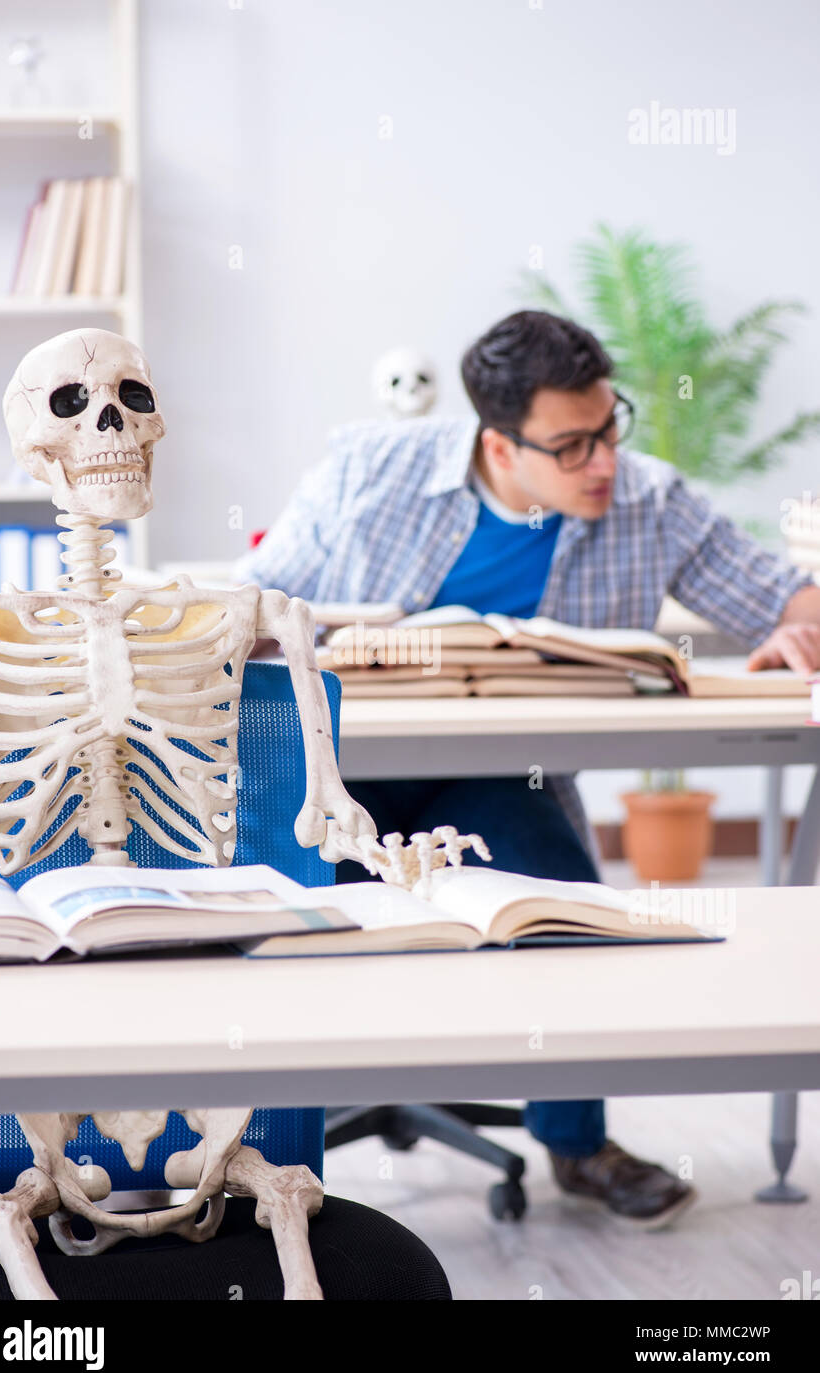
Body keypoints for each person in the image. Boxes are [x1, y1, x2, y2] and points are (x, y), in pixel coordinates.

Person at [234, 310, 820, 1228]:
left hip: (503, 777)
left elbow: (781, 593)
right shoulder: (368, 474)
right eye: (571, 445)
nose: (603, 463)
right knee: (267, 932)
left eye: (609, 427)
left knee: (568, 909)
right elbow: (246, 607)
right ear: (499, 446)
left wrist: (798, 622)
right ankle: (251, 1158)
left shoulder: (649, 501)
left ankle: (579, 1146)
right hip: (329, 779)